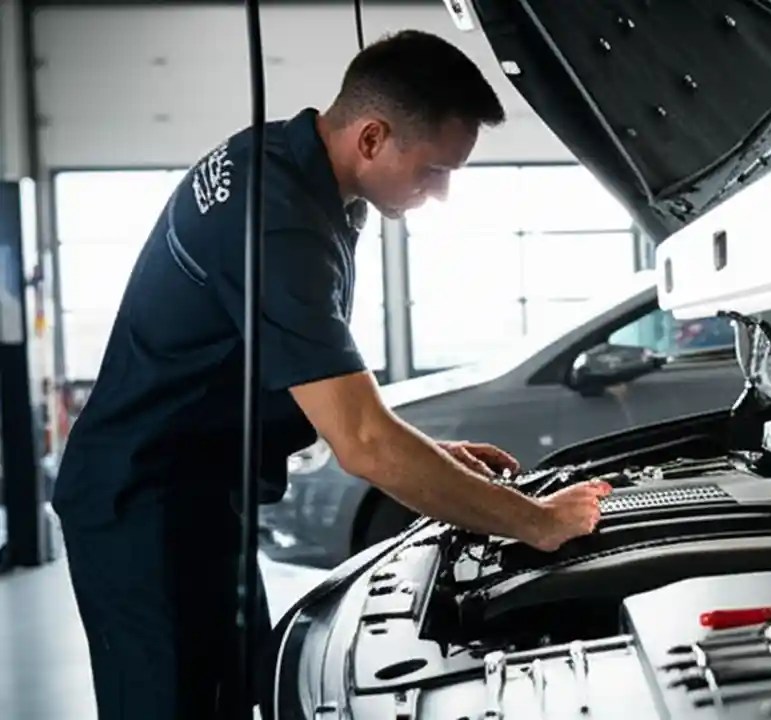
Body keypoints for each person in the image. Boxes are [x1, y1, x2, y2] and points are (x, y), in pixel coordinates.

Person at [50, 30, 611, 720]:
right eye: (435, 171)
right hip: (139, 503)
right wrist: (538, 523)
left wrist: (437, 462)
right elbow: (362, 441)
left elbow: (336, 400)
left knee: (231, 693)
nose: (439, 195)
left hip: (197, 493)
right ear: (372, 138)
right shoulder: (277, 219)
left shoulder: (292, 169)